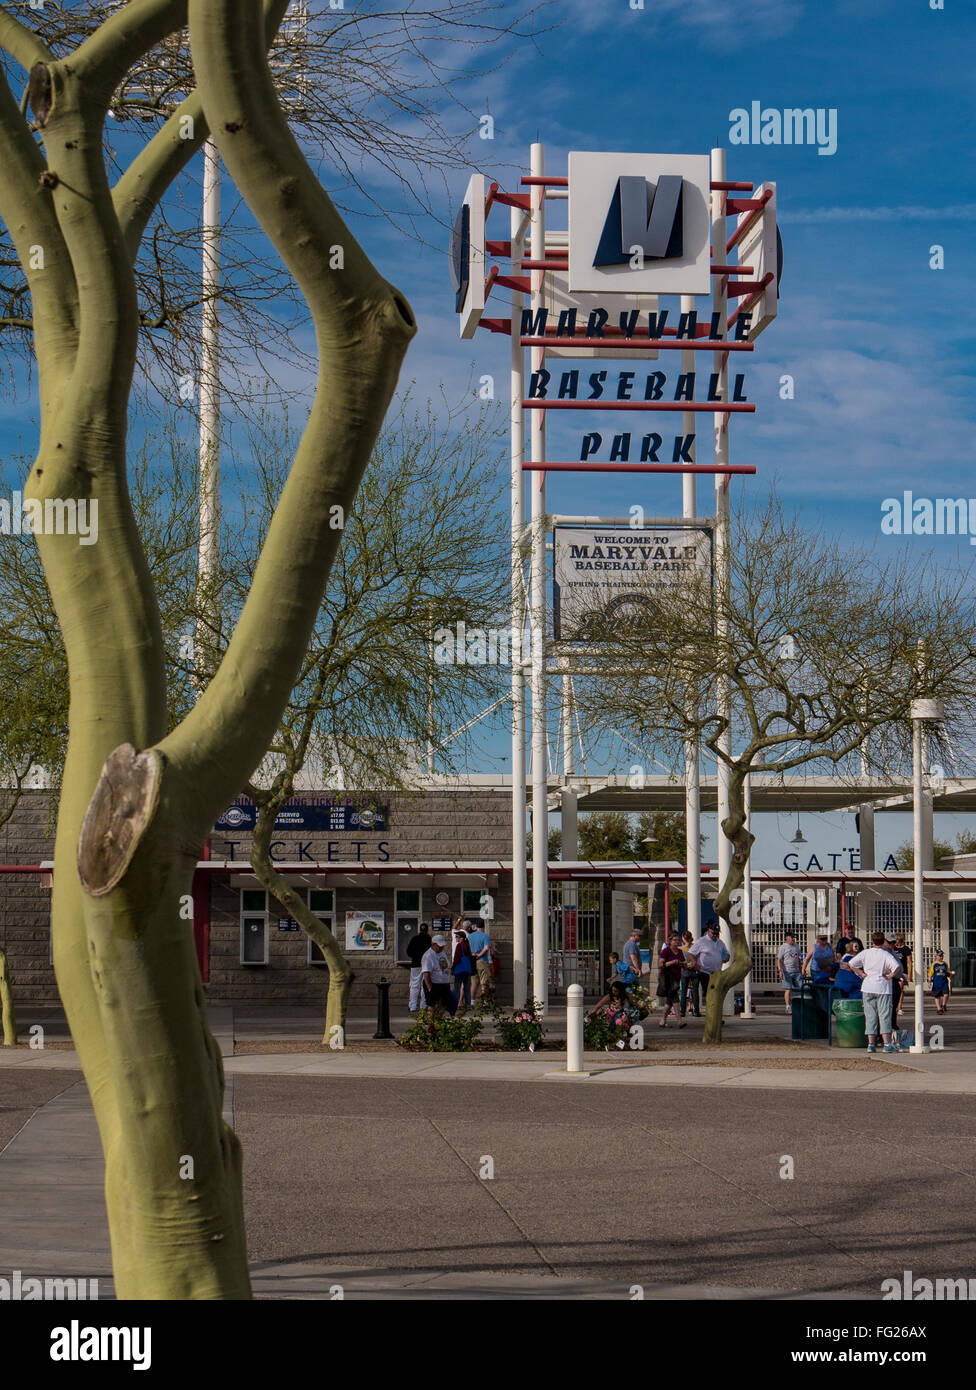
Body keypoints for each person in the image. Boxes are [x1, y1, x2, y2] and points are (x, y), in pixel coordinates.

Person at [847, 932, 902, 1052]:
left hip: (867, 986)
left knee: (870, 1015)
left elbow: (851, 964)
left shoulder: (866, 953)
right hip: (883, 987)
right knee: (884, 1015)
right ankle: (887, 1043)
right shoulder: (886, 954)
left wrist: (861, 973)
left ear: (872, 941)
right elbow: (897, 966)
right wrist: (890, 975)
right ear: (883, 941)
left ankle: (871, 1044)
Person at [688, 920, 730, 1011]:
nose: (715, 936)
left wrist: (726, 957)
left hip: (716, 972)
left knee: (716, 993)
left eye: (717, 934)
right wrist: (695, 963)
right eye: (713, 933)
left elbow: (726, 953)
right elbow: (691, 953)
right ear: (708, 931)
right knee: (709, 993)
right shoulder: (702, 941)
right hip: (704, 971)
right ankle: (711, 1013)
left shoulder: (720, 942)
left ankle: (715, 1013)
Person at [421, 933, 455, 1013]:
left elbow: (445, 965)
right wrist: (429, 987)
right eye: (439, 946)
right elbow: (426, 973)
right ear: (433, 944)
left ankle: (438, 1022)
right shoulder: (428, 955)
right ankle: (431, 1024)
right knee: (432, 1005)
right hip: (434, 984)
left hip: (444, 984)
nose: (441, 948)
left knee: (444, 1004)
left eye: (442, 946)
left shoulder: (442, 953)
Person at [657, 933, 686, 1028]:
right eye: (675, 940)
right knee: (675, 998)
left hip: (676, 978)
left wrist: (683, 964)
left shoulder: (680, 951)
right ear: (670, 941)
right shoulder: (666, 951)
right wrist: (672, 962)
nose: (677, 942)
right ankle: (679, 1021)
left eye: (678, 940)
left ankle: (662, 1020)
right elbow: (660, 964)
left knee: (669, 1001)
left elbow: (683, 962)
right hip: (667, 978)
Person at [405, 922, 432, 1013]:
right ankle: (423, 1006)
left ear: (420, 929)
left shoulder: (415, 938)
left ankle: (412, 1006)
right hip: (426, 965)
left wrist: (415, 957)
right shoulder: (429, 939)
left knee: (414, 985)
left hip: (415, 964)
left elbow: (408, 951)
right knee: (424, 985)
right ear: (427, 930)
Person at [776, 930, 804, 1014]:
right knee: (788, 989)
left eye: (794, 937)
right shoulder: (783, 947)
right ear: (787, 938)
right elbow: (779, 960)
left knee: (800, 988)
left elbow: (798, 958)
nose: (793, 939)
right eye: (792, 937)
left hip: (796, 971)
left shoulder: (796, 946)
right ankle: (788, 1006)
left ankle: (798, 1005)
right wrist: (780, 971)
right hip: (787, 971)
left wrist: (801, 968)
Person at [889, 935, 913, 1023]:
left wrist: (910, 975)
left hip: (903, 971)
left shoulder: (906, 949)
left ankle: (899, 1007)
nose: (896, 943)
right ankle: (895, 1006)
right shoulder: (893, 948)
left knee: (901, 988)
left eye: (897, 941)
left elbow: (909, 962)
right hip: (894, 971)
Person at [451, 925, 475, 1011]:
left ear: (461, 938)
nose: (456, 938)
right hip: (467, 970)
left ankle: (455, 1004)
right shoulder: (467, 945)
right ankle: (468, 1004)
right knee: (467, 988)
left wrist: (453, 967)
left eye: (457, 936)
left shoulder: (459, 945)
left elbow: (457, 958)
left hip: (460, 970)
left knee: (457, 987)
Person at [679, 930, 701, 1018]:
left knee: (683, 992)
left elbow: (680, 961)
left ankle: (682, 1011)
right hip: (695, 970)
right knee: (695, 992)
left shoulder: (681, 949)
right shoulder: (696, 947)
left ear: (683, 938)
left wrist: (686, 965)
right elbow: (699, 958)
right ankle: (696, 1011)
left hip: (685, 971)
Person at [929, 949, 953, 1014]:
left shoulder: (945, 964)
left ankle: (943, 1004)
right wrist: (929, 982)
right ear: (936, 956)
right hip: (936, 983)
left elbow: (948, 972)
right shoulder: (934, 964)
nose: (941, 957)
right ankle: (939, 1008)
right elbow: (930, 974)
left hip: (944, 982)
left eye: (942, 955)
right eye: (939, 956)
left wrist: (951, 975)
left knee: (946, 994)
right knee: (937, 996)